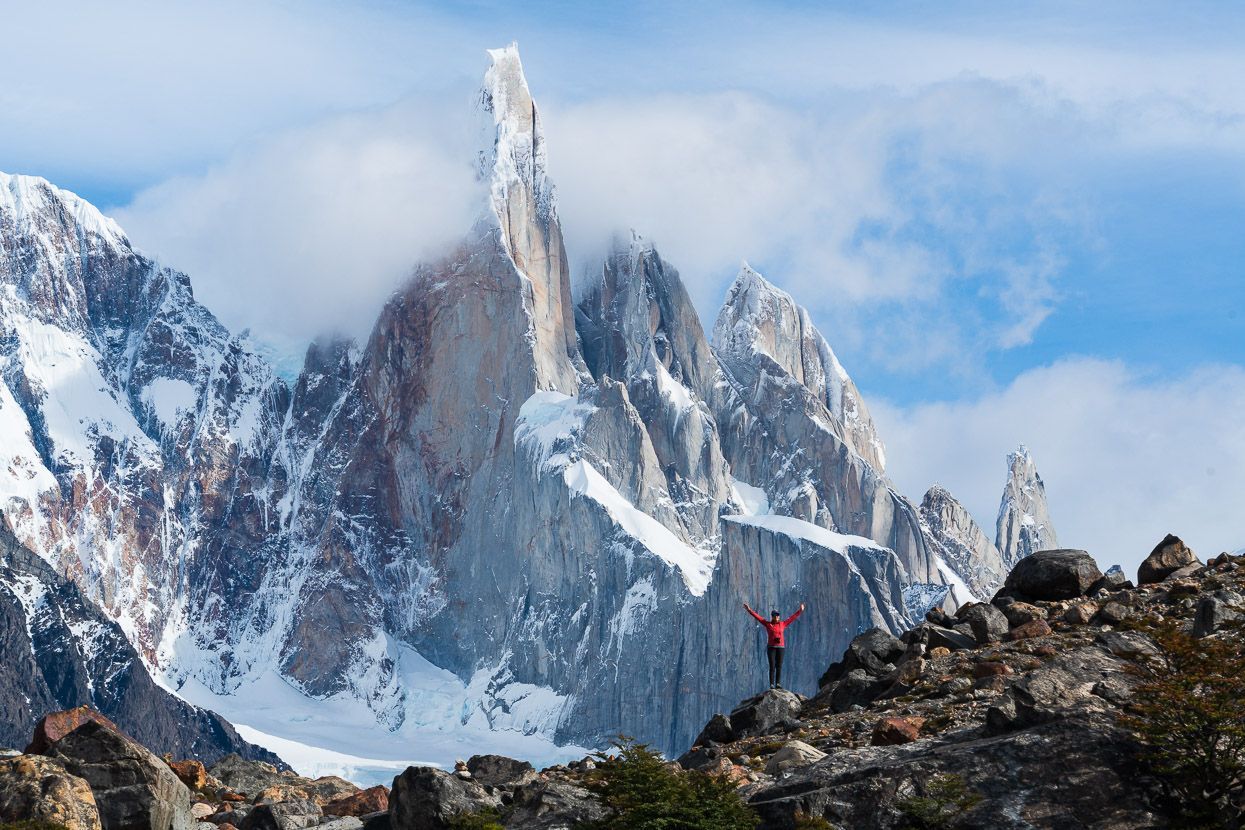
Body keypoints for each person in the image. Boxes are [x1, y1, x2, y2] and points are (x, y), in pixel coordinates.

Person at [743, 601, 805, 690]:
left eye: (778, 615)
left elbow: (792, 618)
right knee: (772, 666)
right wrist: (749, 610)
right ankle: (772, 684)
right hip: (771, 647)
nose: (777, 617)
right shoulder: (768, 624)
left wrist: (800, 611)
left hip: (781, 648)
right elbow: (758, 617)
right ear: (772, 616)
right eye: (775, 615)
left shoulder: (783, 624)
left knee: (779, 666)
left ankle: (778, 683)